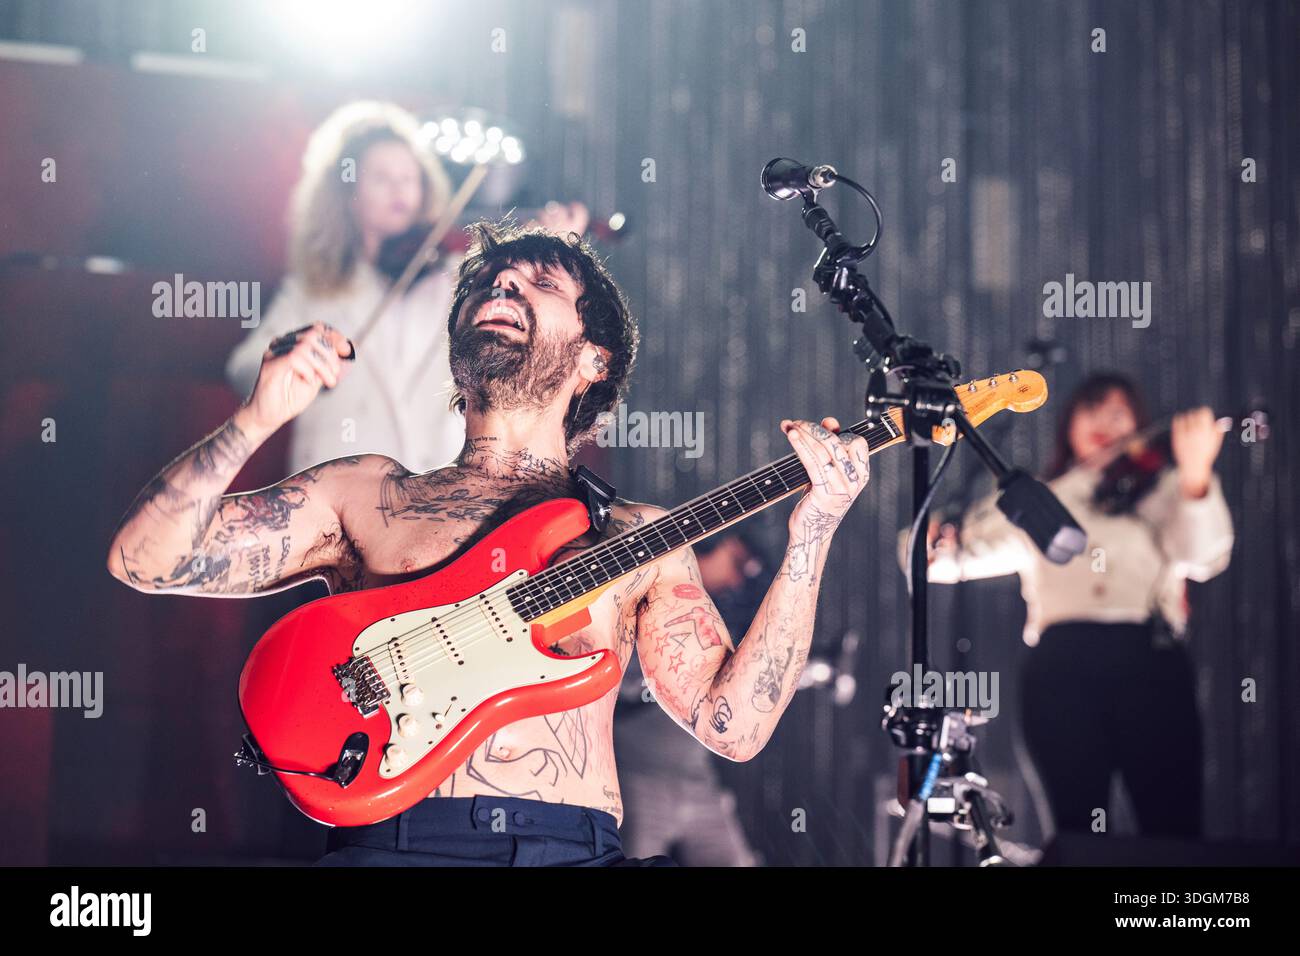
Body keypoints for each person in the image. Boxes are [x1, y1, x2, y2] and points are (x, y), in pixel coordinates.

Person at [107, 220, 872, 866]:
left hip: (570, 844)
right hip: (394, 841)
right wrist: (259, 415)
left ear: (592, 360)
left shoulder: (634, 536)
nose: (503, 286)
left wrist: (815, 532)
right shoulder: (368, 494)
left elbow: (730, 725)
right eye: (490, 281)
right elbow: (145, 558)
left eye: (539, 283)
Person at [908, 372, 1233, 839]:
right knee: (1075, 828)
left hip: (1149, 660)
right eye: (1093, 409)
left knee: (1173, 827)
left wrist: (1196, 472)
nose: (1105, 421)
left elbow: (1205, 556)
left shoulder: (1159, 488)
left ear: (1138, 423)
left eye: (1119, 413)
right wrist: (942, 534)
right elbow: (924, 558)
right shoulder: (1042, 498)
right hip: (1062, 669)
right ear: (1069, 424)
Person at [226, 100, 588, 475]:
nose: (399, 188)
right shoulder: (312, 288)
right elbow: (241, 369)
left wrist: (553, 247)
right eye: (381, 177)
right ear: (346, 193)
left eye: (409, 177)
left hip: (436, 482)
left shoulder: (462, 278)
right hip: (336, 483)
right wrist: (302, 361)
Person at [615, 530, 768, 866]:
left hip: (699, 781)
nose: (737, 578)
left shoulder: (719, 611)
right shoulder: (646, 583)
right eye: (737, 562)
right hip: (637, 778)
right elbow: (622, 683)